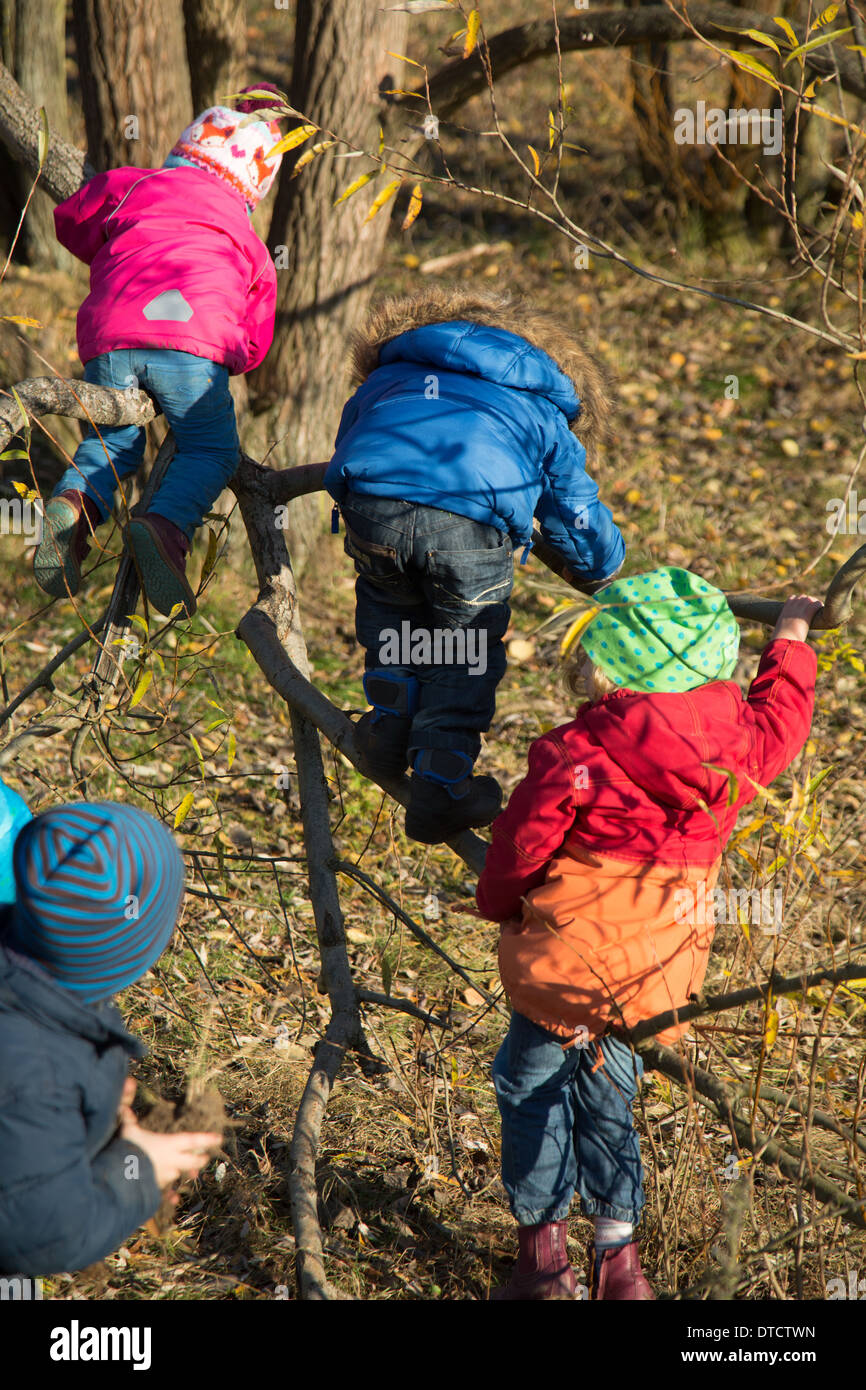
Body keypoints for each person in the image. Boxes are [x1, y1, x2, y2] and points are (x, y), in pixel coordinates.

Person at [475, 568, 820, 1299]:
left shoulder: (576, 751)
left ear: (605, 661)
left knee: (531, 1093)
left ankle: (542, 1259)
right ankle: (619, 1266)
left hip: (561, 974)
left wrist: (499, 902)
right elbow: (783, 717)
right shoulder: (738, 751)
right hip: (653, 983)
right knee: (611, 1104)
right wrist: (789, 639)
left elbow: (520, 848)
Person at [325, 288, 625, 844]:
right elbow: (574, 513)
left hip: (374, 512)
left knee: (393, 618)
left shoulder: (391, 375)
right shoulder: (540, 406)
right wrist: (602, 566)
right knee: (464, 649)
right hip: (466, 528)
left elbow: (351, 442)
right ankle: (441, 784)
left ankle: (388, 730)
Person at [33, 87, 283, 618]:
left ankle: (73, 507)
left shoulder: (132, 185)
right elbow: (257, 335)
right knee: (210, 450)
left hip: (111, 338)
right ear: (252, 192)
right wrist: (234, 357)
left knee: (116, 443)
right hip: (193, 350)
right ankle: (164, 528)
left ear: (183, 149)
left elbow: (70, 220)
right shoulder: (249, 240)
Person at [0, 799, 221, 1275]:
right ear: (130, 953)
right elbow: (43, 1232)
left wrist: (97, 1107)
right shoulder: (35, 1077)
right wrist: (137, 1168)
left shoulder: (34, 965)